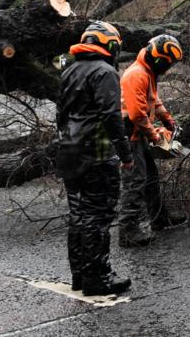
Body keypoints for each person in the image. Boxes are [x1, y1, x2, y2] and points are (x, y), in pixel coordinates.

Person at [56, 21, 134, 296]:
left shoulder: (69, 71)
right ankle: (98, 278)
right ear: (110, 44)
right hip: (96, 154)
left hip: (68, 150)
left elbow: (60, 114)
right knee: (98, 216)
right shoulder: (105, 72)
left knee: (78, 215)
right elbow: (111, 116)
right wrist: (125, 152)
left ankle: (80, 274)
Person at [118, 34, 188, 247]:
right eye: (167, 62)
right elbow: (137, 114)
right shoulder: (136, 75)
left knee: (150, 178)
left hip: (139, 133)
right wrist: (155, 136)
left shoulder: (148, 73)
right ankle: (128, 232)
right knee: (134, 182)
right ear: (159, 58)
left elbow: (153, 101)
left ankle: (159, 218)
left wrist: (168, 121)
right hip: (130, 134)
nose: (167, 67)